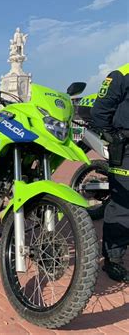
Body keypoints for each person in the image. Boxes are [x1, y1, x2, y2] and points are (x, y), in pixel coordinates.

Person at [91, 63, 129, 283]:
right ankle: (113, 259)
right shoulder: (121, 74)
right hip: (124, 147)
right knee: (124, 203)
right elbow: (100, 112)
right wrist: (114, 138)